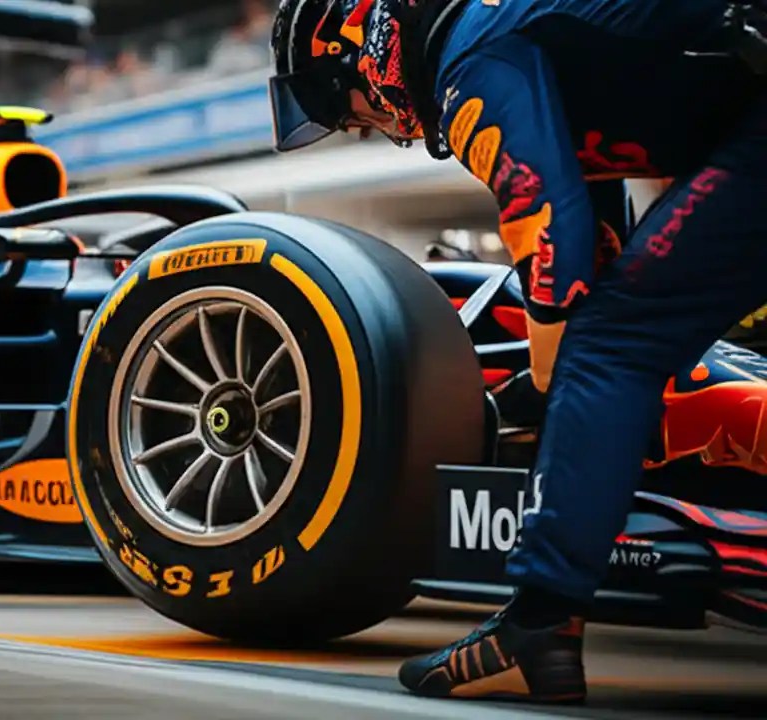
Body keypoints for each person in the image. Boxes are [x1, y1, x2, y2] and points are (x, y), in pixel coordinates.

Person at [268, 0, 767, 704]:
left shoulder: (469, 61)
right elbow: (597, 248)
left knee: (614, 345)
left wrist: (555, 391)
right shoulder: (524, 28)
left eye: (349, 111)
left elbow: (556, 254)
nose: (364, 127)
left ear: (362, 52)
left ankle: (539, 623)